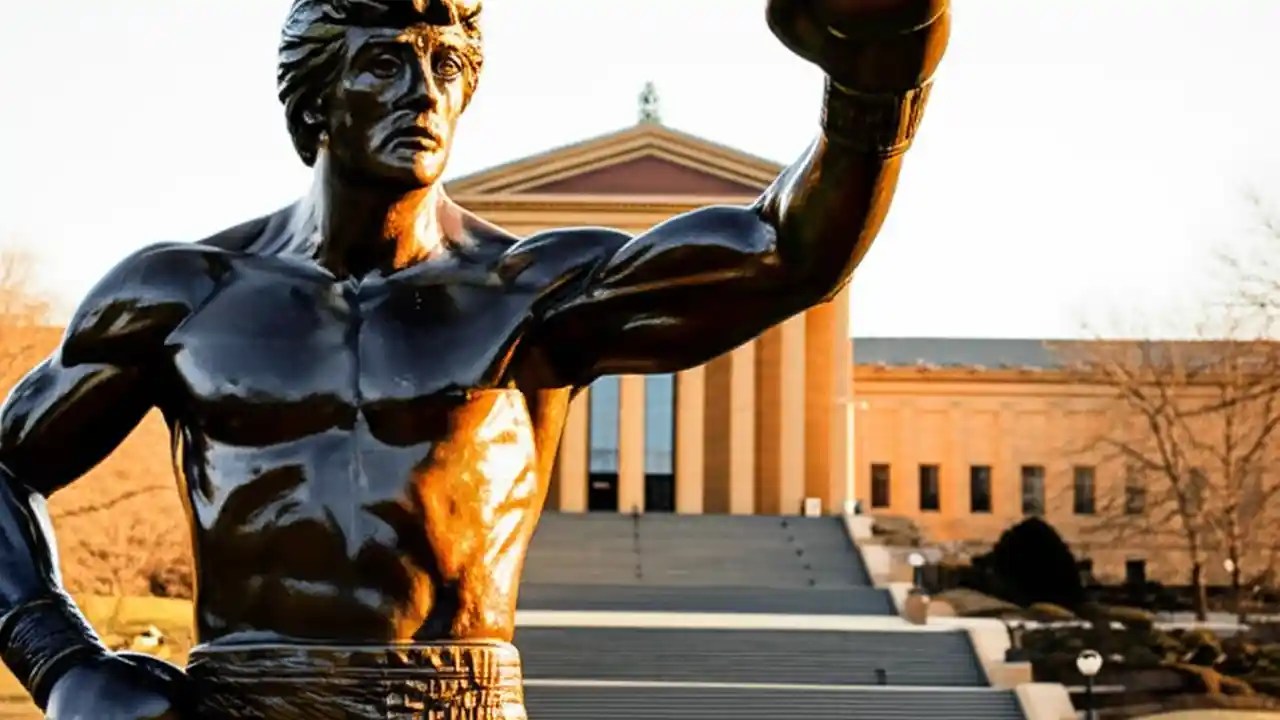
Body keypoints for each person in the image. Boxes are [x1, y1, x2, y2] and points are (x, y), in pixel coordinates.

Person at [0, 0, 950, 717]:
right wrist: (63, 659)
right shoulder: (186, 295)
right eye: (386, 61)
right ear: (314, 98)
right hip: (246, 697)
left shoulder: (527, 292)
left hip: (453, 701)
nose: (425, 90)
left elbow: (789, 254)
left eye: (447, 63)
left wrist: (875, 88)